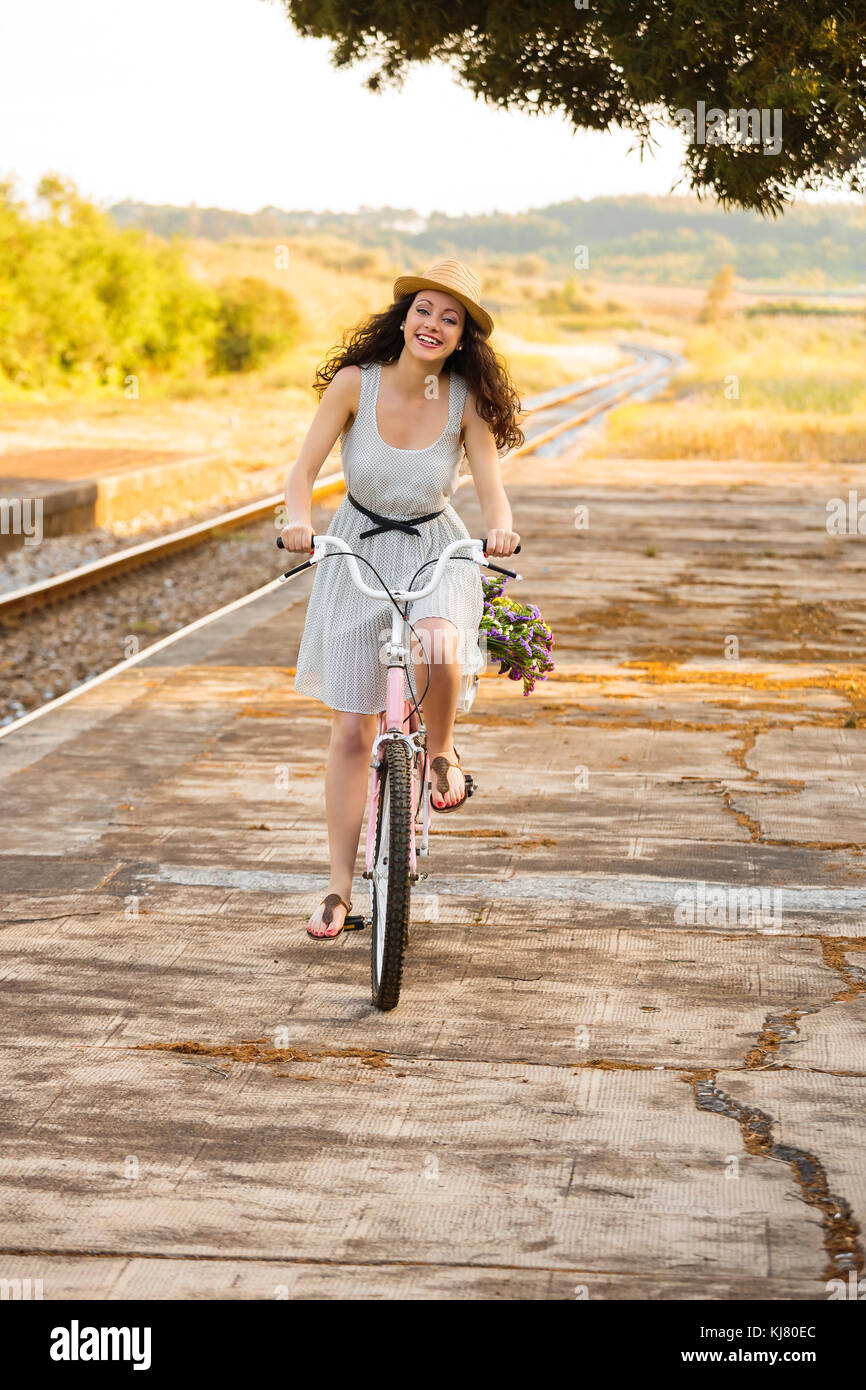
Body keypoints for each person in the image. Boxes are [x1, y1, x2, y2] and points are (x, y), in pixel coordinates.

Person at [281, 259, 523, 938]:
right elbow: (302, 471)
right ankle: (337, 889)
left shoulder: (466, 400)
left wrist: (499, 529)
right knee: (353, 729)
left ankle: (441, 749)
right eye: (425, 310)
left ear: (462, 337)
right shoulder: (356, 384)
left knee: (440, 640)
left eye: (451, 319)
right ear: (405, 316)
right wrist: (297, 524)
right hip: (356, 543)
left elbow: (491, 485)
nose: (434, 325)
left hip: (434, 547)